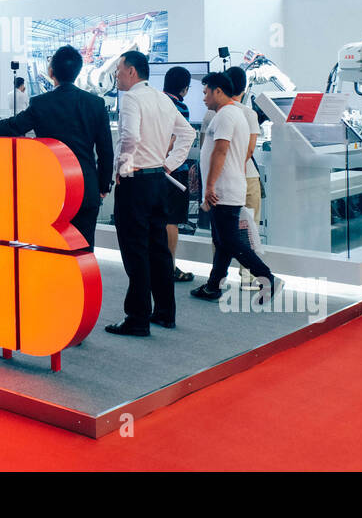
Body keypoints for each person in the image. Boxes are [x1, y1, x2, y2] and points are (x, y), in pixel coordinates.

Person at [0, 46, 113, 250]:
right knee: (84, 250)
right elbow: (105, 151)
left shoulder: (41, 103)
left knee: (50, 250)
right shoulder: (95, 103)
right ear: (78, 71)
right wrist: (102, 186)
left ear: (51, 72)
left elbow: (9, 126)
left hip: (51, 188)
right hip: (86, 187)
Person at [105, 51, 195, 336]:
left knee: (135, 251)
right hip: (157, 180)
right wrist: (168, 165)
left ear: (132, 71)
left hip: (136, 182)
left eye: (119, 70)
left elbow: (129, 137)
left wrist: (123, 168)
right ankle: (165, 313)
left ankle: (138, 318)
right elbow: (188, 134)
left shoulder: (131, 98)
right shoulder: (162, 99)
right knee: (159, 250)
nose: (117, 75)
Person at [190, 72, 283, 303]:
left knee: (229, 240)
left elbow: (220, 150)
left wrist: (210, 185)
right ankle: (213, 286)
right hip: (229, 186)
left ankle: (268, 278)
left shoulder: (225, 116)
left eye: (205, 92)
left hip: (223, 188)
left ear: (218, 91)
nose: (203, 98)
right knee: (222, 241)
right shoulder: (233, 114)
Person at [227, 66, 265, 290]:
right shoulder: (249, 114)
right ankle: (248, 276)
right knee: (249, 226)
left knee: (221, 229)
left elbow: (206, 149)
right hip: (247, 177)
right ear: (244, 87)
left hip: (222, 179)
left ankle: (218, 275)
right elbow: (249, 151)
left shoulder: (213, 112)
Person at [160, 65, 195, 282]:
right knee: (171, 221)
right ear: (184, 89)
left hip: (153, 170)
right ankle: (170, 267)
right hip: (173, 172)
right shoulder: (179, 107)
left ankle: (160, 264)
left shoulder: (156, 101)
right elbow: (178, 136)